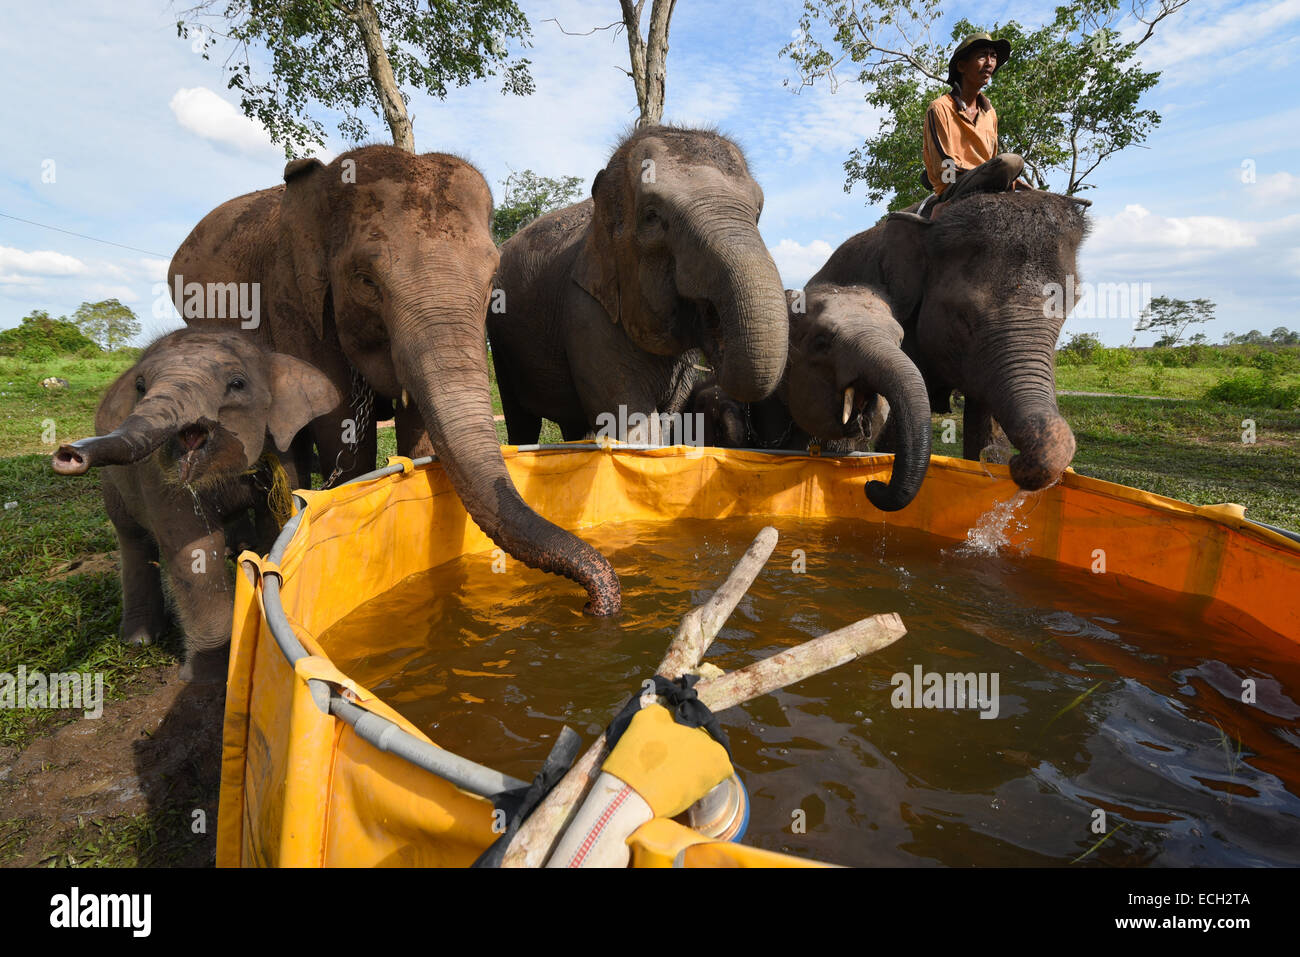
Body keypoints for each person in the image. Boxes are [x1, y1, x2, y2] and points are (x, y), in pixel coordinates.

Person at [921, 32, 1028, 220]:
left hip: (985, 182)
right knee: (1012, 162)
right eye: (982, 56)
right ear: (961, 66)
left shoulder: (990, 113)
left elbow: (991, 158)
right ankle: (944, 206)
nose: (989, 63)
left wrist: (1007, 180)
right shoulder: (939, 108)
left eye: (993, 56)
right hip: (954, 185)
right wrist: (990, 173)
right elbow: (944, 166)